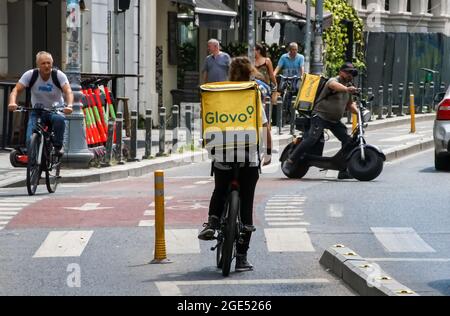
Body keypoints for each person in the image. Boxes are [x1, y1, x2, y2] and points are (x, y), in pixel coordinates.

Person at [198, 57, 273, 272]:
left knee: (220, 188)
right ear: (250, 73)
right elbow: (265, 126)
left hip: (222, 152)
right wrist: (267, 152)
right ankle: (241, 257)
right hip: (248, 156)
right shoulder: (252, 94)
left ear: (230, 73)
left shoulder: (220, 92)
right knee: (247, 203)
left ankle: (213, 222)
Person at [282, 62, 360, 179]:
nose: (350, 75)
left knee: (348, 141)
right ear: (341, 72)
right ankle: (290, 160)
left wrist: (359, 113)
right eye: (348, 72)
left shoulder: (348, 87)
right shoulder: (335, 81)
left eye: (352, 73)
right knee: (311, 139)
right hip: (320, 116)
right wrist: (347, 89)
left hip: (334, 120)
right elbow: (333, 86)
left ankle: (344, 170)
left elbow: (349, 105)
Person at [8, 51, 73, 155]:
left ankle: (58, 146)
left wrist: (69, 105)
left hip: (55, 110)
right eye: (43, 63)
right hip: (37, 111)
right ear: (37, 65)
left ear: (52, 63)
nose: (46, 65)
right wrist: (12, 102)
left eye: (49, 63)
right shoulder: (30, 75)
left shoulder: (58, 75)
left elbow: (68, 91)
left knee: (60, 119)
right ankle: (34, 164)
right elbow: (16, 90)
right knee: (30, 139)